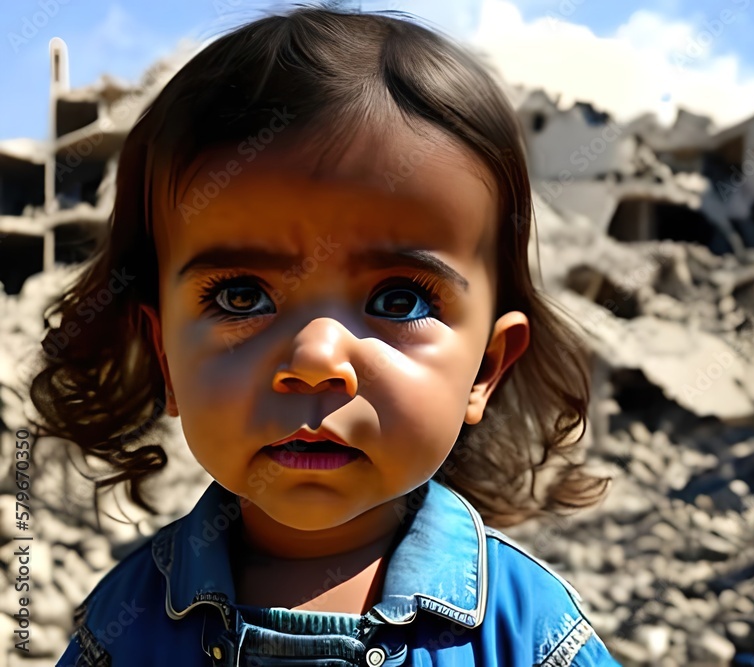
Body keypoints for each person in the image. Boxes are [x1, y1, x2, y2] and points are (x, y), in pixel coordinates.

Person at [30, 3, 619, 665]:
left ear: (484, 368)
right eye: (241, 295)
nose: (314, 360)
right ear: (166, 356)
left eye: (398, 299)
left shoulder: (530, 634)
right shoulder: (123, 626)